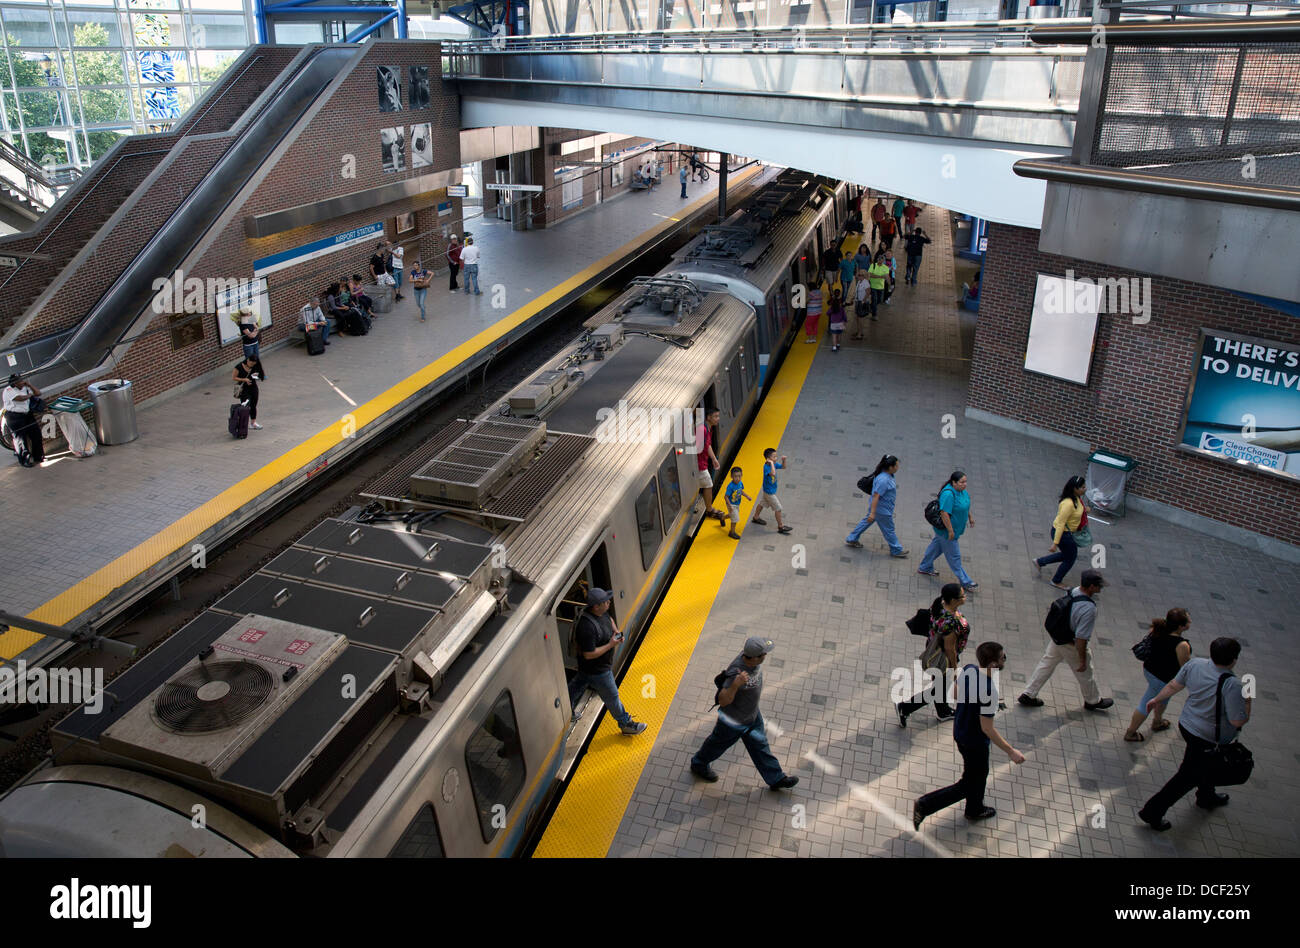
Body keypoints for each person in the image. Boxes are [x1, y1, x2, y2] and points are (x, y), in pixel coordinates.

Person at [1138, 637, 1250, 831]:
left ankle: (1206, 796)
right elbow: (1237, 721)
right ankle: (1152, 812)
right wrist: (1248, 702)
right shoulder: (1232, 684)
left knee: (1203, 765)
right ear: (1233, 659)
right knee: (1187, 777)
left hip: (1188, 726)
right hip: (1209, 738)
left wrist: (1157, 698)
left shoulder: (1195, 664)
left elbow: (1174, 685)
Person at [912, 642, 1025, 830]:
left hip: (960, 731)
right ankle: (926, 804)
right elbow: (987, 728)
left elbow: (955, 694)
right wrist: (1010, 751)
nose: (1005, 659)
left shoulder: (970, 670)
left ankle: (975, 808)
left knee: (978, 776)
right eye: (1003, 657)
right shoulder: (989, 691)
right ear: (992, 665)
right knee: (970, 782)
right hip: (975, 742)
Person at [689, 636, 799, 790]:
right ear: (754, 658)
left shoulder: (750, 657)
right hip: (733, 722)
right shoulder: (735, 673)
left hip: (752, 715)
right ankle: (699, 764)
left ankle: (776, 779)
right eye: (763, 655)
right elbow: (723, 700)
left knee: (761, 746)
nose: (765, 656)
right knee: (717, 744)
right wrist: (735, 685)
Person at [1017, 569, 1115, 710]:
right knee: (1085, 673)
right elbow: (1081, 638)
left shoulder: (1074, 591)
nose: (1101, 588)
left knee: (1047, 662)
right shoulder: (1089, 608)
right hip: (1070, 642)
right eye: (1099, 585)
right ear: (1091, 587)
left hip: (1058, 636)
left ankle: (1029, 694)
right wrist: (1082, 659)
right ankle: (1093, 701)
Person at [567, 588, 648, 735]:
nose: (609, 602)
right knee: (612, 697)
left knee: (576, 686)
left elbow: (609, 619)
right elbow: (589, 654)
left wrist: (616, 631)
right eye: (605, 601)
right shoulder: (587, 627)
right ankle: (626, 724)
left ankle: (566, 712)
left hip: (588, 669)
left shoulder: (601, 612)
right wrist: (611, 644)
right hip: (598, 671)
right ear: (596, 606)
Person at [897, 583, 969, 725]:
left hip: (933, 647)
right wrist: (954, 668)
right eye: (962, 596)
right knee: (939, 689)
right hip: (943, 658)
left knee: (941, 687)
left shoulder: (939, 603)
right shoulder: (951, 622)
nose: (965, 597)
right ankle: (905, 707)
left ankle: (943, 711)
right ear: (954, 600)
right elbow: (950, 649)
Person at [1125, 608, 1193, 743]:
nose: (1190, 621)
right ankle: (1130, 732)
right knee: (1147, 704)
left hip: (1150, 670)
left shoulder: (1158, 629)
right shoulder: (1181, 645)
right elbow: (1185, 668)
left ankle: (1157, 721)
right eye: (1188, 620)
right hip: (1162, 679)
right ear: (1181, 626)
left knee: (1163, 699)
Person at [917, 470, 978, 590]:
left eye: (965, 482)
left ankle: (924, 567)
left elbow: (965, 506)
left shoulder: (962, 492)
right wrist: (950, 531)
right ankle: (965, 581)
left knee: (936, 547)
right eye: (962, 482)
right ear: (954, 483)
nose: (964, 484)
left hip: (952, 531)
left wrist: (970, 517)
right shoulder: (949, 494)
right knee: (954, 557)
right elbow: (944, 513)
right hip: (947, 532)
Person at [845, 454, 907, 556]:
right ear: (891, 467)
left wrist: (872, 514)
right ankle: (896, 550)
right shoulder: (884, 480)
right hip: (882, 510)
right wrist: (873, 513)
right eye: (896, 465)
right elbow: (876, 496)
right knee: (889, 530)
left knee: (867, 521)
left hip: (879, 508)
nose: (898, 467)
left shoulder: (885, 474)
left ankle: (852, 538)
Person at [1033, 475, 1088, 589]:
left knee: (1067, 555)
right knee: (1070, 558)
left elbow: (1077, 511)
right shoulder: (1068, 504)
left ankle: (1040, 562)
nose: (1085, 489)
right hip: (1063, 534)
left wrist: (1085, 510)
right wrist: (1055, 543)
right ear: (1075, 488)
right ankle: (1056, 580)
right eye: (1082, 487)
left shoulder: (1076, 498)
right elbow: (1061, 524)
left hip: (1067, 534)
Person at [693, 407, 727, 524]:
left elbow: (707, 445)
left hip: (702, 463)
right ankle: (709, 510)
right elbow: (699, 447)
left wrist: (713, 459)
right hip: (699, 465)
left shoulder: (707, 428)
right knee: (708, 485)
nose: (718, 419)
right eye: (716, 416)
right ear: (708, 417)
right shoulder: (702, 429)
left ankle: (700, 506)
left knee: (701, 485)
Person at [2, 373, 44, 466]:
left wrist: (29, 385)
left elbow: (38, 393)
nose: (22, 382)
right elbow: (19, 398)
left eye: (22, 380)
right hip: (14, 417)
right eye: (20, 381)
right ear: (15, 383)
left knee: (36, 434)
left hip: (27, 415)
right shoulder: (8, 390)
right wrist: (30, 396)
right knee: (20, 439)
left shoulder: (25, 387)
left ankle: (38, 456)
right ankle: (25, 460)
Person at [751, 447, 792, 534]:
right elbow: (773, 473)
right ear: (768, 459)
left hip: (768, 491)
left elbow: (783, 467)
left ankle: (756, 517)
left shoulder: (774, 464)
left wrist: (784, 460)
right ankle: (780, 526)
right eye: (774, 457)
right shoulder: (766, 467)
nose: (776, 459)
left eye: (776, 457)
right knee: (778, 508)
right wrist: (772, 464)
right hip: (769, 493)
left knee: (762, 503)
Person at [232, 355, 263, 430]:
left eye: (254, 364)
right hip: (244, 389)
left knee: (253, 405)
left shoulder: (255, 365)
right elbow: (234, 378)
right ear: (248, 360)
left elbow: (261, 375)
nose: (252, 365)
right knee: (245, 407)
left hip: (253, 388)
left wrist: (256, 375)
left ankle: (253, 423)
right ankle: (242, 423)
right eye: (251, 363)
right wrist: (244, 380)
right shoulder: (239, 366)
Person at [722, 466, 750, 540]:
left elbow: (741, 491)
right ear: (731, 476)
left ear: (742, 475)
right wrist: (730, 506)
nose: (737, 478)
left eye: (739, 476)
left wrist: (747, 496)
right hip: (731, 504)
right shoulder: (730, 486)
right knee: (735, 519)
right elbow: (726, 497)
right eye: (735, 476)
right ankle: (732, 532)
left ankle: (722, 518)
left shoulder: (740, 483)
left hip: (737, 503)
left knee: (732, 515)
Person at [238, 309, 263, 376]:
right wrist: (255, 331)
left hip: (255, 343)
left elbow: (257, 328)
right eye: (249, 312)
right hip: (248, 346)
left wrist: (255, 331)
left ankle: (257, 374)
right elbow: (251, 336)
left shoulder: (251, 319)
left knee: (256, 359)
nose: (250, 313)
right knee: (250, 362)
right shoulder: (242, 324)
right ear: (245, 314)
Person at [865, 252, 889, 321]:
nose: (880, 261)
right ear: (877, 260)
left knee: (879, 300)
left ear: (884, 261)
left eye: (882, 260)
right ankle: (874, 315)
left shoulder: (886, 268)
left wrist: (889, 283)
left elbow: (886, 276)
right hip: (873, 286)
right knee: (875, 300)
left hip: (881, 287)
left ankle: (870, 306)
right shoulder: (873, 265)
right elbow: (870, 274)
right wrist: (880, 276)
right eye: (879, 259)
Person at [852, 270, 870, 339]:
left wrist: (863, 301)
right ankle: (859, 331)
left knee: (860, 319)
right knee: (857, 318)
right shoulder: (859, 282)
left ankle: (859, 334)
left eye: (859, 275)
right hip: (858, 301)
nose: (858, 276)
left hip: (862, 303)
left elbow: (868, 292)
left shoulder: (866, 283)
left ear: (864, 276)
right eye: (858, 275)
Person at [827, 288, 846, 352]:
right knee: (839, 335)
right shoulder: (841, 308)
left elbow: (827, 313)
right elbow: (844, 316)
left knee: (834, 336)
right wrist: (844, 322)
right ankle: (838, 344)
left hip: (833, 324)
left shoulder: (832, 308)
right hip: (840, 324)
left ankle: (834, 347)